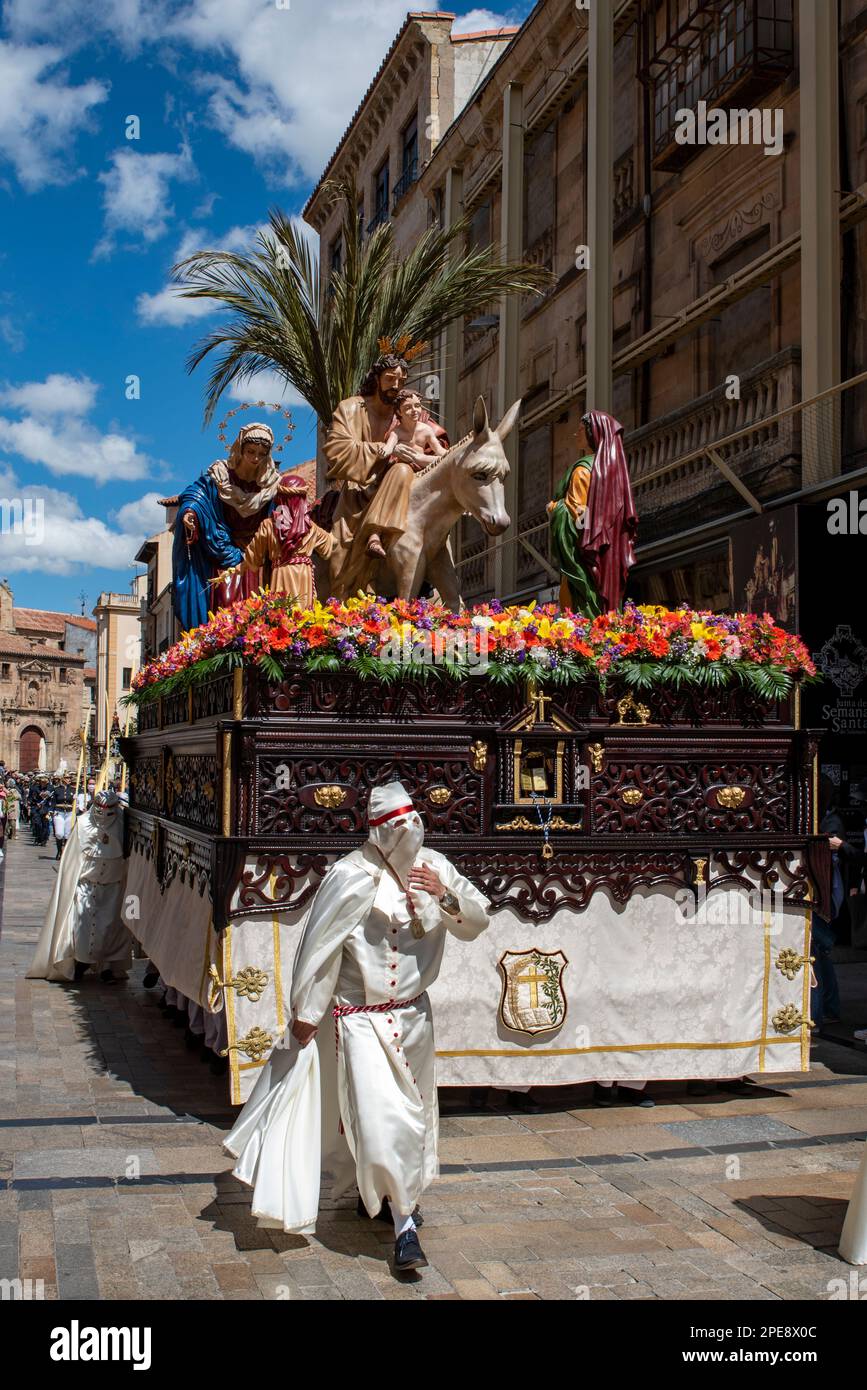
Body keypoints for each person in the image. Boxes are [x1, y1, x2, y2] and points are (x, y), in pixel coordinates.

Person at [224, 781, 490, 1270]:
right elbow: (320, 952)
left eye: (416, 825)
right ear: (378, 831)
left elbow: (477, 921)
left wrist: (445, 897)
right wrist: (306, 1015)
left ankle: (384, 1197)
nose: (411, 835)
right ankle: (405, 1227)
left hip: (415, 1019)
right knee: (380, 1117)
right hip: (359, 1022)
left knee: (414, 1113)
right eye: (399, 828)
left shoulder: (435, 868)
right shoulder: (349, 876)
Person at [323, 349, 448, 594]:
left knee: (405, 476)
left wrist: (418, 456)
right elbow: (336, 450)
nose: (396, 385)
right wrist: (383, 450)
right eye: (390, 379)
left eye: (401, 381)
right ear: (376, 378)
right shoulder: (351, 409)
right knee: (400, 471)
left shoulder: (409, 410)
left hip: (407, 493)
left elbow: (440, 451)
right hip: (359, 494)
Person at [173, 422, 286, 630]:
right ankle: (224, 650)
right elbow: (196, 495)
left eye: (261, 454)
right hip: (224, 551)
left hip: (256, 554)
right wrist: (190, 512)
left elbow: (283, 513)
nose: (255, 458)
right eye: (251, 452)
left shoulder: (270, 484)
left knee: (259, 607)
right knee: (226, 604)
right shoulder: (221, 476)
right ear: (240, 449)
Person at [27, 789, 131, 984]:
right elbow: (72, 861)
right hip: (86, 886)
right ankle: (80, 963)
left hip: (114, 888)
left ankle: (108, 968)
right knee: (82, 929)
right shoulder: (83, 824)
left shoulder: (123, 825)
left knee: (110, 930)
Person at [547, 410, 638, 615]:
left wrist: (554, 507)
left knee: (579, 602)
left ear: (592, 432)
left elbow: (575, 512)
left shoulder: (582, 471)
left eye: (580, 430)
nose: (575, 434)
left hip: (584, 553)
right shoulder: (613, 474)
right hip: (609, 554)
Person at [213, 475, 335, 607]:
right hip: (303, 575)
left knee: (282, 617)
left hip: (281, 576)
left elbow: (253, 557)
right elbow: (330, 546)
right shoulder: (311, 528)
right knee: (303, 618)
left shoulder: (269, 525)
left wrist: (234, 570)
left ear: (280, 499)